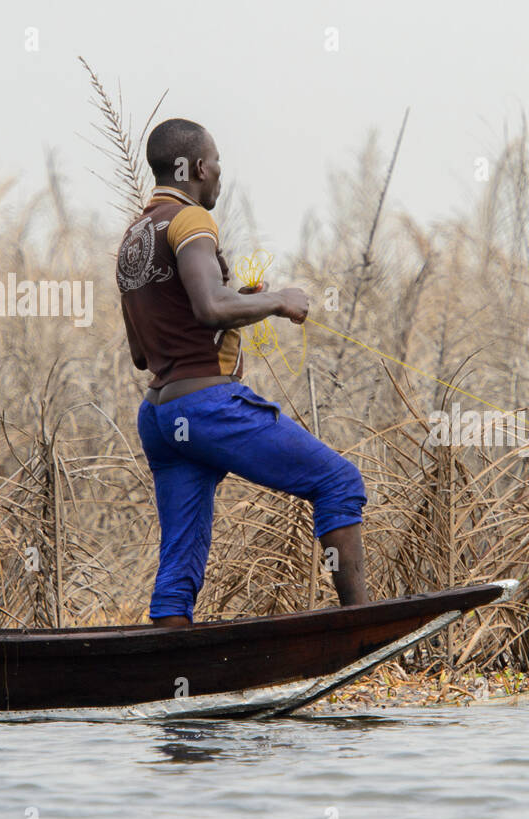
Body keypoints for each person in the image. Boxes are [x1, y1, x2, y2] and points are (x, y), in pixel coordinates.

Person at [116, 118, 368, 626]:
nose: (220, 178)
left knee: (179, 563)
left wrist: (239, 305)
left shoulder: (134, 238)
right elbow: (209, 307)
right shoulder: (192, 223)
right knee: (339, 482)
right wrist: (279, 301)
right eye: (218, 166)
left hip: (161, 419)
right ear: (200, 168)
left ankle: (169, 671)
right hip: (207, 410)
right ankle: (363, 630)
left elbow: (144, 355)